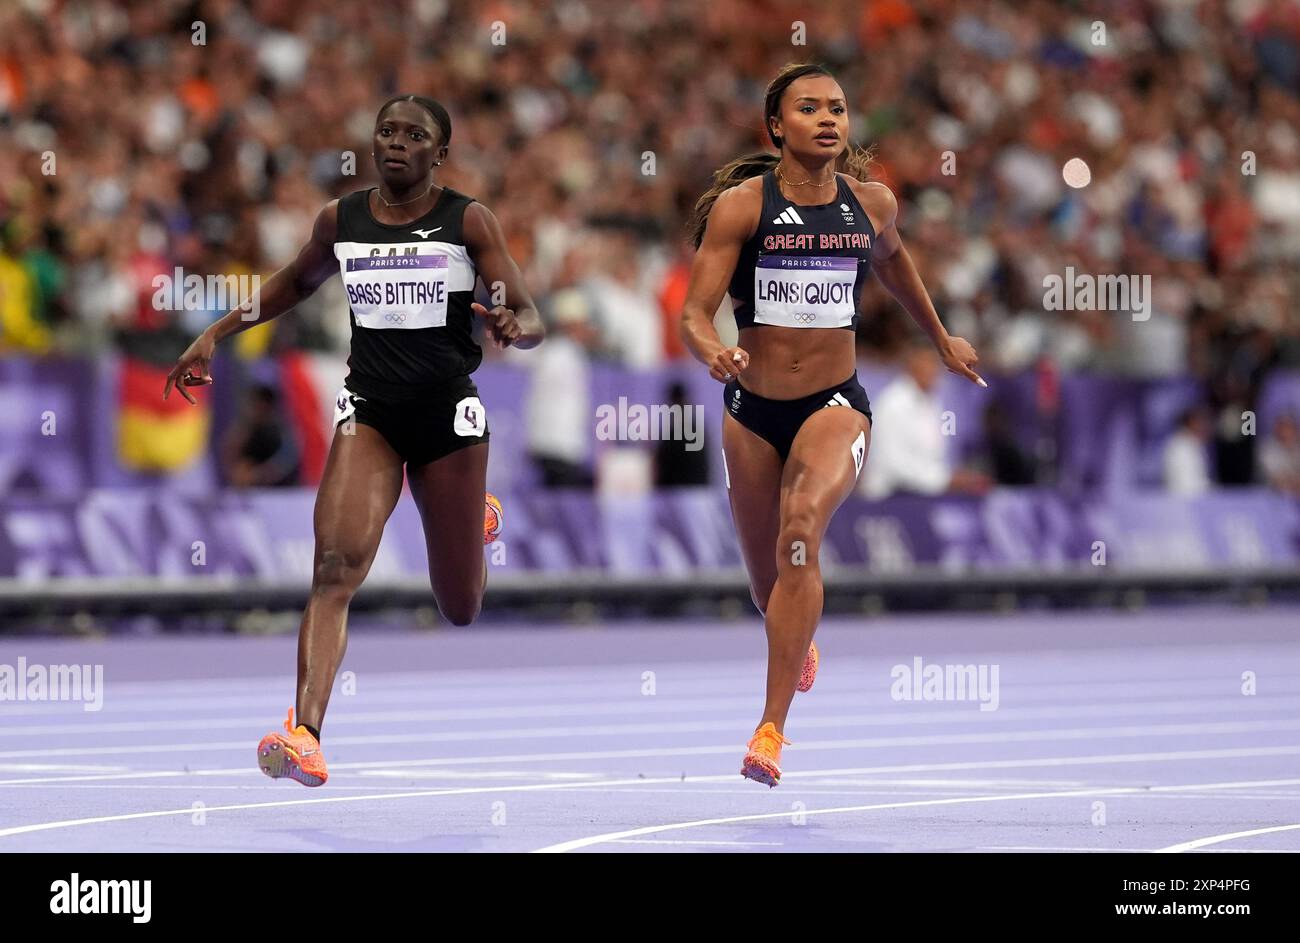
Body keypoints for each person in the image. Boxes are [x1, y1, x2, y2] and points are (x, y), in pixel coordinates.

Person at [164, 94, 544, 787]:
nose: (396, 143)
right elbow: (288, 285)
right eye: (386, 132)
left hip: (448, 419)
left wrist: (518, 325)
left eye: (414, 135)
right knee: (334, 567)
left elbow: (528, 309)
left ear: (441, 153)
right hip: (368, 411)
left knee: (459, 606)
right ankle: (305, 732)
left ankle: (474, 521)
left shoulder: (469, 220)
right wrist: (214, 332)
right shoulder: (343, 219)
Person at [678, 63, 983, 787]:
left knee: (800, 529)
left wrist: (941, 339)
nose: (827, 119)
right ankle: (794, 633)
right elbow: (692, 311)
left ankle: (770, 728)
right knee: (768, 586)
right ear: (776, 126)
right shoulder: (742, 209)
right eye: (809, 108)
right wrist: (713, 349)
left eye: (838, 109)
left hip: (834, 404)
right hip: (751, 413)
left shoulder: (871, 204)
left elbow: (897, 267)